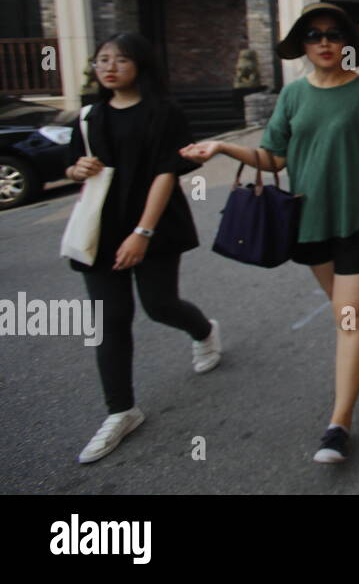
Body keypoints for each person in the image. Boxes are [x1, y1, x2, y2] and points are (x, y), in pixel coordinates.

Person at [181, 3, 359, 465]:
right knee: (345, 307)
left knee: (348, 311)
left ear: (347, 43)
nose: (325, 42)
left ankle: (339, 423)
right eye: (314, 35)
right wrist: (220, 148)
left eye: (334, 34)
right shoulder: (292, 96)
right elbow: (273, 158)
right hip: (310, 220)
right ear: (303, 45)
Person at [65, 32, 219, 464]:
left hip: (154, 225)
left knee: (159, 304)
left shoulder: (163, 113)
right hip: (100, 228)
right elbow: (76, 167)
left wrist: (142, 233)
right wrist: (78, 167)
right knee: (110, 320)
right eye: (102, 60)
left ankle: (204, 330)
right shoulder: (88, 117)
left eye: (121, 60)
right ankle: (120, 410)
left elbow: (166, 172)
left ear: (142, 65)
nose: (109, 67)